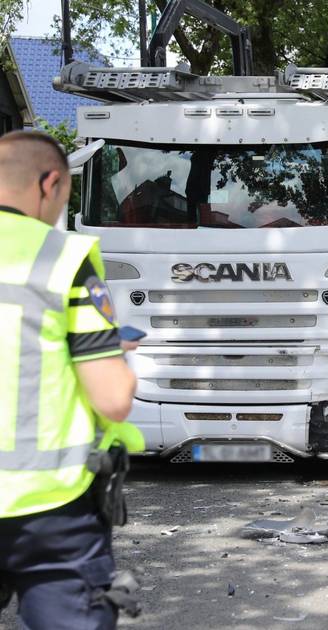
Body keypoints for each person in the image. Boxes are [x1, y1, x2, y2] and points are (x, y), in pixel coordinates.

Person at [0, 131, 141, 629]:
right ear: (51, 183)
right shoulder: (62, 259)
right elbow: (113, 399)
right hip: (52, 511)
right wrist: (114, 353)